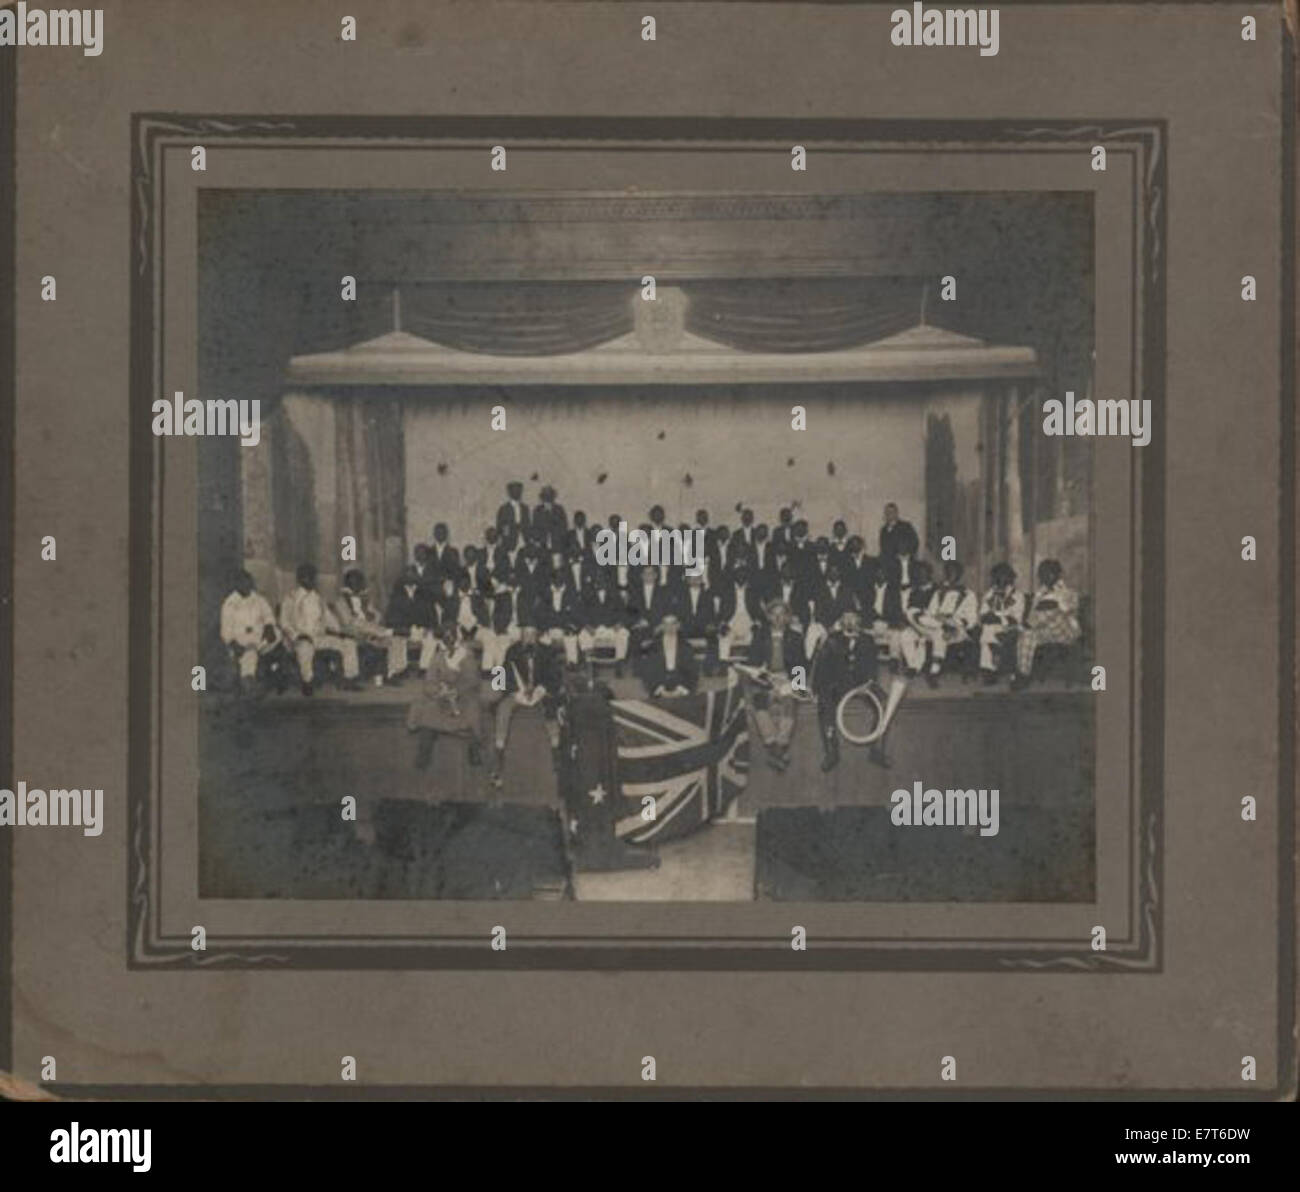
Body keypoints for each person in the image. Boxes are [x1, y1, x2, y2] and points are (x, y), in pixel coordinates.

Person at [489, 621, 564, 788]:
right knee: (502, 709)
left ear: (537, 635)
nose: (529, 639)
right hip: (517, 693)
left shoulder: (548, 651)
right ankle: (499, 753)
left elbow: (555, 676)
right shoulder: (512, 650)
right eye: (525, 634)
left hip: (541, 693)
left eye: (532, 634)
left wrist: (541, 690)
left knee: (552, 710)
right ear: (521, 635)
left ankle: (556, 750)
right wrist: (516, 692)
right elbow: (500, 678)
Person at [407, 620, 485, 775]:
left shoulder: (467, 656)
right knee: (426, 709)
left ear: (457, 638)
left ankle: (474, 752)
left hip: (463, 698)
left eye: (451, 637)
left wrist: (456, 690)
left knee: (472, 713)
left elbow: (473, 681)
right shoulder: (438, 657)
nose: (448, 641)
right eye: (445, 637)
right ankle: (424, 755)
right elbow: (429, 682)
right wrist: (439, 691)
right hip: (442, 697)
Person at [279, 562, 361, 694]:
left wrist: (341, 632)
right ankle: (308, 682)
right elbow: (284, 622)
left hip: (319, 637)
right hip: (299, 638)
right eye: (307, 577)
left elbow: (329, 619)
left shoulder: (318, 598)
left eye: (312, 577)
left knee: (348, 643)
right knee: (305, 649)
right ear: (300, 579)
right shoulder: (290, 598)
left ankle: (349, 679)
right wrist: (296, 635)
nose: (311, 580)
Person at [814, 609, 878, 771]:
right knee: (825, 706)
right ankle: (831, 752)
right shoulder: (832, 640)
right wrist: (817, 689)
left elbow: (873, 665)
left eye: (854, 618)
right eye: (846, 619)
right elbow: (822, 666)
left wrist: (869, 682)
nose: (850, 622)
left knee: (882, 704)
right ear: (841, 622)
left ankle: (876, 749)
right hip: (838, 684)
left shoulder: (868, 640)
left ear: (860, 621)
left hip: (862, 683)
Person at [747, 600, 806, 771]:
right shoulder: (760, 635)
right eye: (774, 614)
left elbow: (800, 665)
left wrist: (798, 688)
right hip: (765, 677)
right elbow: (752, 661)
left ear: (788, 617)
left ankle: (779, 744)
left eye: (783, 614)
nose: (779, 618)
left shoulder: (795, 637)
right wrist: (760, 672)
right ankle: (773, 744)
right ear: (768, 616)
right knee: (759, 702)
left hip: (786, 677)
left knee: (790, 703)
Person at [1013, 559, 1081, 688]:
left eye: (1049, 573)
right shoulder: (1038, 594)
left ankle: (1022, 628)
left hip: (1066, 632)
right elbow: (1032, 615)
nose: (1045, 577)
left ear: (1058, 575)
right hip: (1044, 630)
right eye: (1042, 574)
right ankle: (1023, 675)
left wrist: (1053, 605)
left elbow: (1068, 610)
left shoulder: (1068, 592)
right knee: (1027, 634)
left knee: (1051, 609)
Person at [334, 569, 408, 684]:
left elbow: (378, 617)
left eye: (359, 582)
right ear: (348, 584)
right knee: (359, 623)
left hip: (372, 634)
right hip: (354, 633)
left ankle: (392, 673)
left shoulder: (365, 600)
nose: (358, 585)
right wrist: (361, 618)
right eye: (354, 582)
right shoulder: (341, 601)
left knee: (397, 639)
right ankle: (387, 632)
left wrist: (367, 611)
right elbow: (347, 622)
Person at [219, 569, 284, 696]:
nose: (246, 585)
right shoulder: (230, 603)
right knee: (250, 654)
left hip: (260, 639)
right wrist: (232, 642)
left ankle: (269, 672)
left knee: (277, 634)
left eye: (248, 582)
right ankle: (248, 682)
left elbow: (268, 615)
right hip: (241, 641)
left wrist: (269, 626)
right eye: (242, 582)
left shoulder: (259, 600)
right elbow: (226, 629)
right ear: (236, 584)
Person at [915, 560, 978, 685]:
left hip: (957, 629)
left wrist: (952, 621)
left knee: (938, 634)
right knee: (918, 616)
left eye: (953, 572)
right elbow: (931, 612)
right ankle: (943, 628)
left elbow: (972, 620)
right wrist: (939, 618)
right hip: (937, 624)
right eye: (948, 572)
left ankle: (934, 671)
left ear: (959, 574)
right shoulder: (939, 592)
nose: (950, 575)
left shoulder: (968, 594)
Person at [385, 564, 438, 674]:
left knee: (431, 639)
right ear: (403, 577)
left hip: (420, 628)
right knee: (398, 639)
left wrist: (429, 627)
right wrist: (401, 628)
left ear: (417, 576)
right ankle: (399, 670)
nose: (410, 577)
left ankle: (424, 667)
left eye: (413, 574)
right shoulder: (397, 593)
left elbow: (431, 612)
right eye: (407, 574)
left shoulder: (425, 592)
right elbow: (391, 615)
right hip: (403, 628)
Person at [978, 562, 1025, 682]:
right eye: (997, 577)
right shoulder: (990, 594)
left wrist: (999, 618)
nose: (1000, 579)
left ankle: (991, 667)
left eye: (1003, 576)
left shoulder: (1017, 595)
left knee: (989, 632)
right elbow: (982, 614)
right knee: (988, 629)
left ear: (1010, 578)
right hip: (992, 627)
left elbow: (1016, 619)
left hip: (1011, 628)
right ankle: (990, 667)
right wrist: (987, 616)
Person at [577, 574, 629, 676]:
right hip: (594, 629)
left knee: (624, 633)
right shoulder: (587, 595)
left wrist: (620, 623)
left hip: (611, 628)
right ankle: (590, 664)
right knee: (583, 635)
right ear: (594, 583)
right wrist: (587, 626)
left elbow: (624, 612)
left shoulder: (615, 595)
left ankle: (619, 662)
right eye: (598, 581)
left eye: (603, 581)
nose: (600, 583)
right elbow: (581, 613)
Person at [639, 613, 699, 698]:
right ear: (662, 626)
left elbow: (692, 671)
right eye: (666, 624)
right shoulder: (653, 646)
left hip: (681, 683)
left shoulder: (686, 646)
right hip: (659, 683)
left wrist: (681, 689)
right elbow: (648, 671)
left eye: (673, 624)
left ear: (678, 625)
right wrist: (660, 689)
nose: (670, 627)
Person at [879, 502, 919, 586]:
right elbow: (883, 548)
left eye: (892, 512)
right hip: (890, 567)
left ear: (896, 513)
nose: (889, 515)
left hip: (905, 562)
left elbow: (915, 542)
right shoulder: (883, 530)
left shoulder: (906, 526)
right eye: (887, 513)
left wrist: (907, 554)